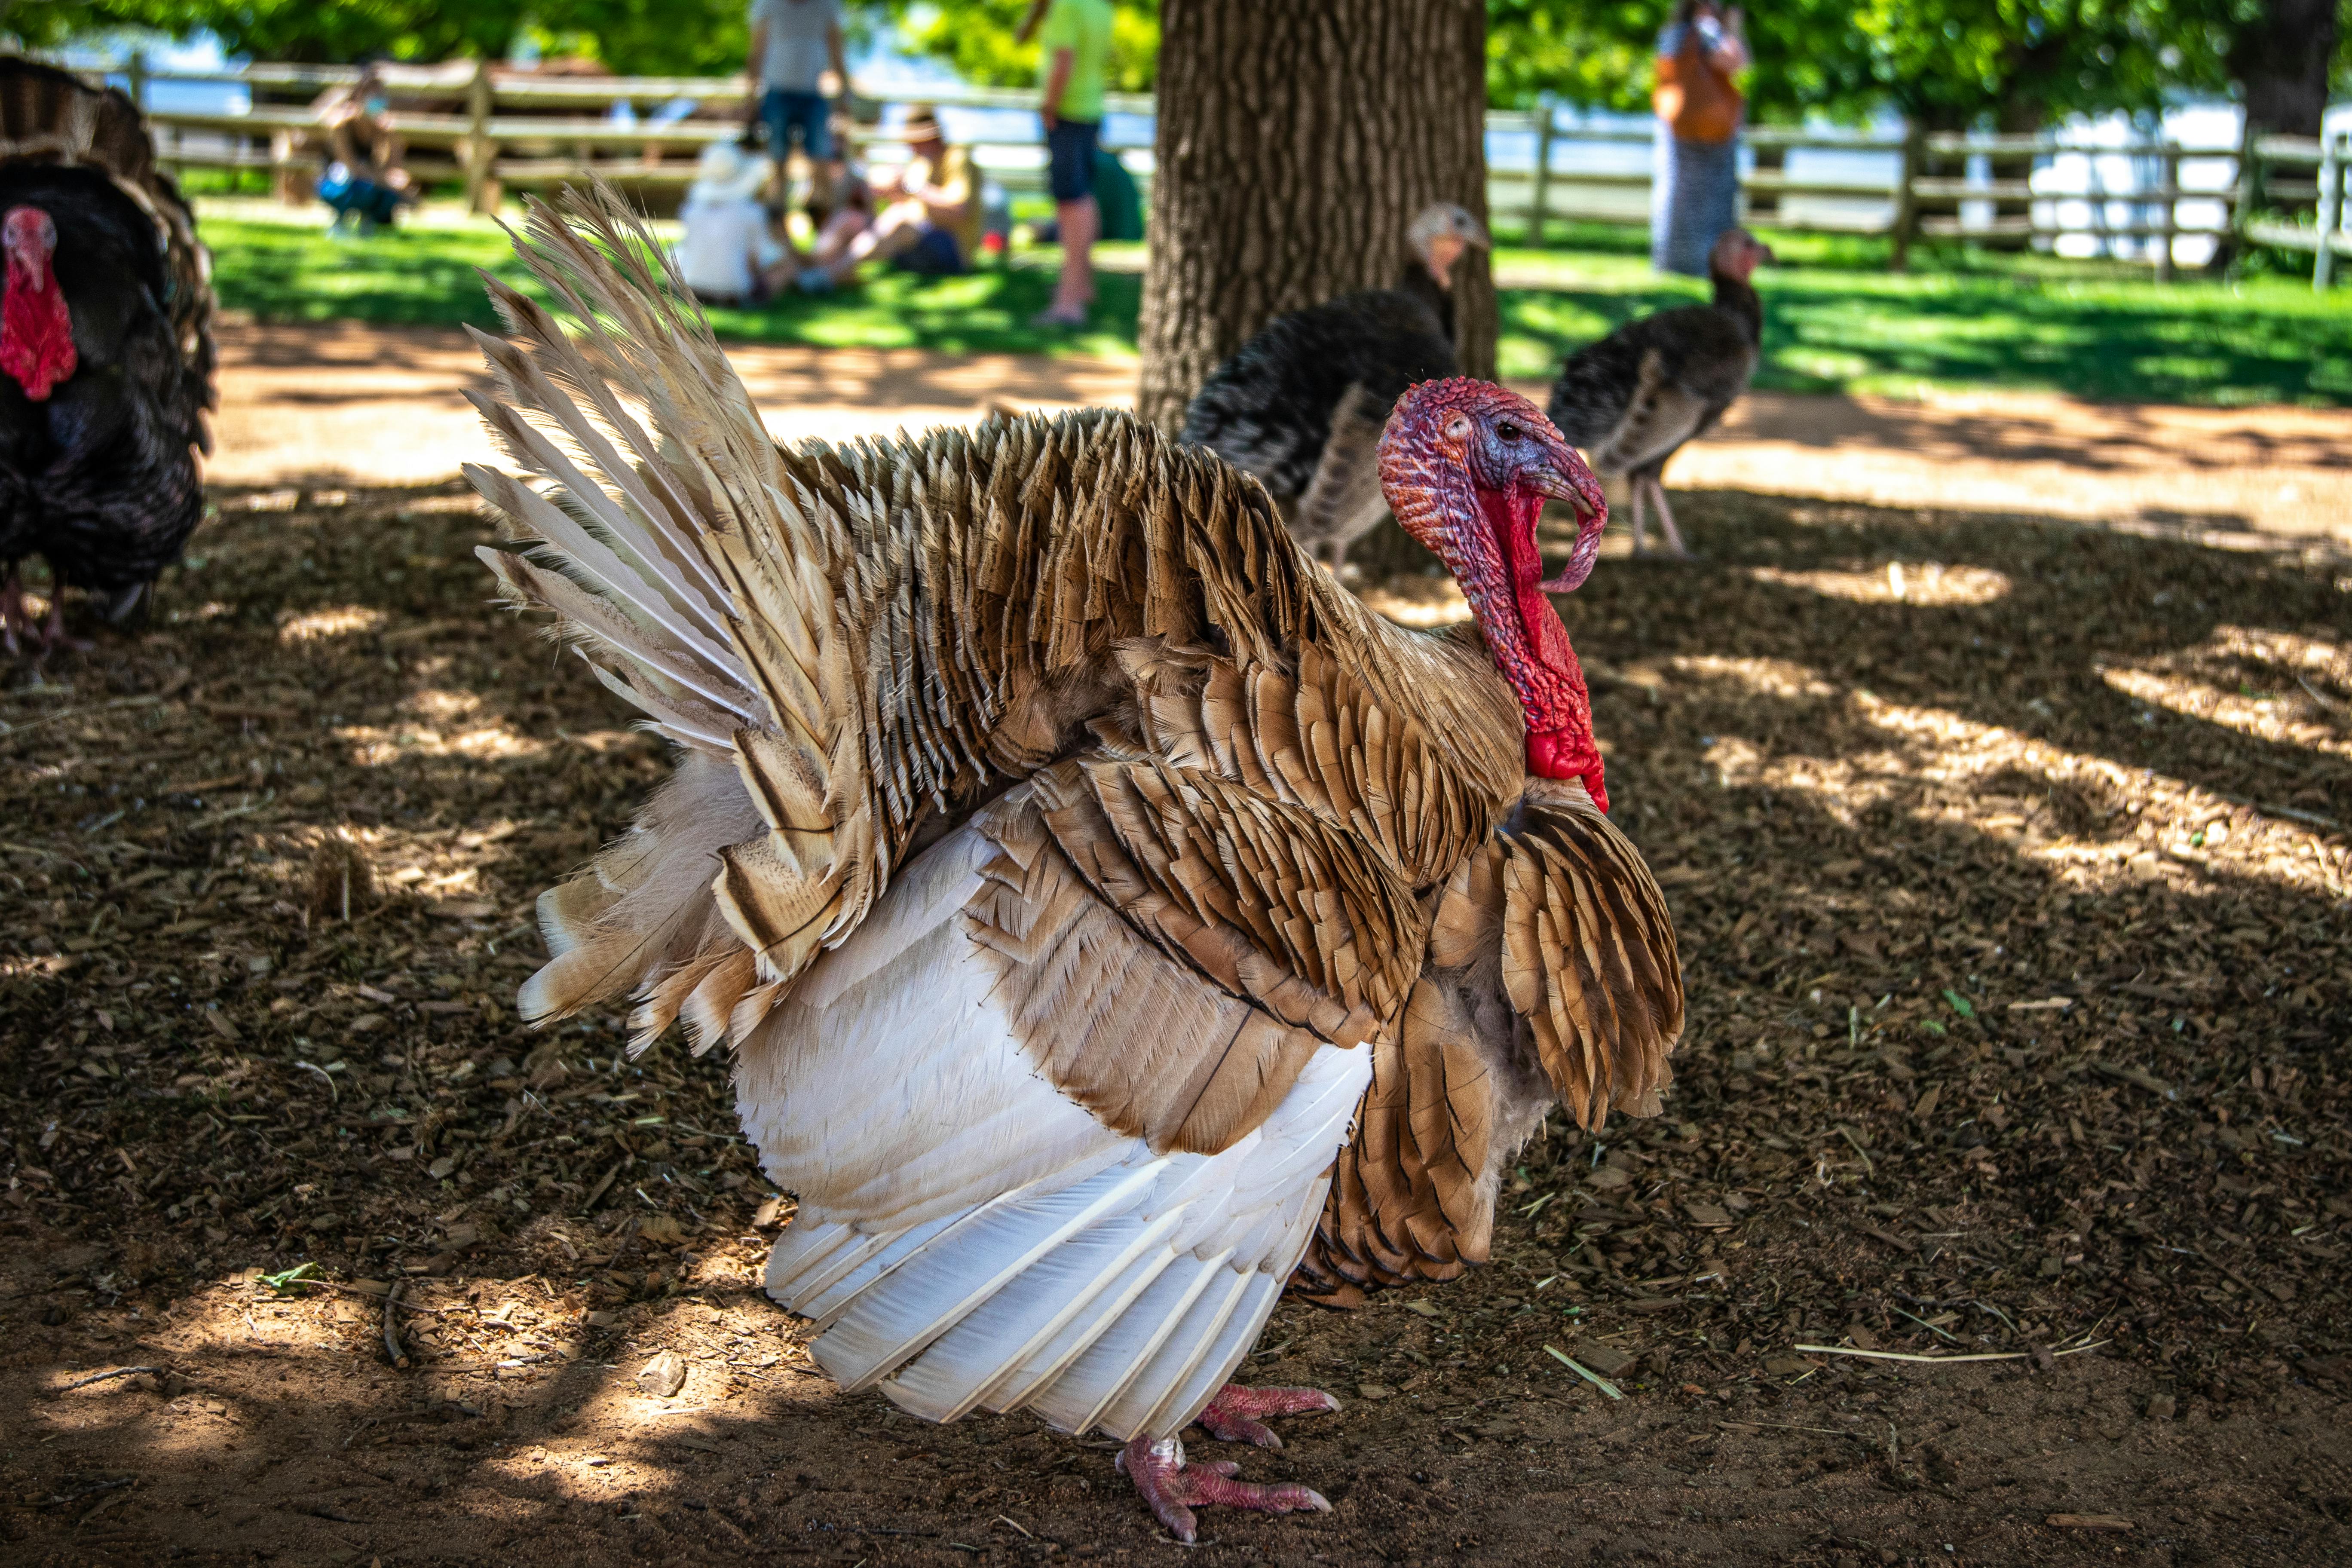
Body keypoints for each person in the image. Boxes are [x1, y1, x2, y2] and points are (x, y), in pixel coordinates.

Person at [794, 107, 980, 291]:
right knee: (850, 219)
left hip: (953, 250)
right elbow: (911, 204)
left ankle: (827, 277)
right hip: (914, 242)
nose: (909, 146)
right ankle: (807, 266)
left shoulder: (957, 159)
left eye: (913, 140)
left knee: (899, 217)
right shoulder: (920, 162)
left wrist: (911, 188)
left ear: (929, 137)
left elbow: (959, 211)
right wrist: (882, 192)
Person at [1020, 0, 1114, 327]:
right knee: (1083, 199)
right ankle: (1081, 287)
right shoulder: (1100, 7)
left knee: (1072, 205)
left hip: (1068, 114)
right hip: (1091, 111)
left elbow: (1063, 63)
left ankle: (1069, 303)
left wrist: (1049, 107)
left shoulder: (1067, 7)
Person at [1650, 0, 1748, 277]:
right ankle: (1709, 265)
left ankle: (1671, 263)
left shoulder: (1672, 33)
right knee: (1712, 202)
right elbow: (1736, 63)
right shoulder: (1707, 30)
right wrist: (1734, 29)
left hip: (1676, 125)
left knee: (1675, 199)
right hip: (1711, 133)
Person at [674, 139, 792, 304]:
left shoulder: (691, 210)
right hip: (735, 292)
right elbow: (758, 259)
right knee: (785, 265)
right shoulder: (751, 212)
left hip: (692, 285)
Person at [746, 0, 848, 180]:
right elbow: (757, 52)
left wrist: (844, 96)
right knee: (777, 162)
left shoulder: (828, 5)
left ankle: (819, 205)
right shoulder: (766, 4)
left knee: (822, 158)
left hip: (814, 94)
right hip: (776, 93)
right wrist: (750, 99)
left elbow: (837, 52)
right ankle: (779, 205)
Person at [315, 62, 418, 236]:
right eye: (373, 93)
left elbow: (391, 166)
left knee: (388, 195)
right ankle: (340, 221)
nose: (379, 98)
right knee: (365, 189)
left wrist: (391, 139)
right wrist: (388, 181)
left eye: (381, 93)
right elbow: (351, 168)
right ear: (360, 94)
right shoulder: (342, 125)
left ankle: (368, 221)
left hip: (370, 179)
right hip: (340, 184)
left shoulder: (382, 127)